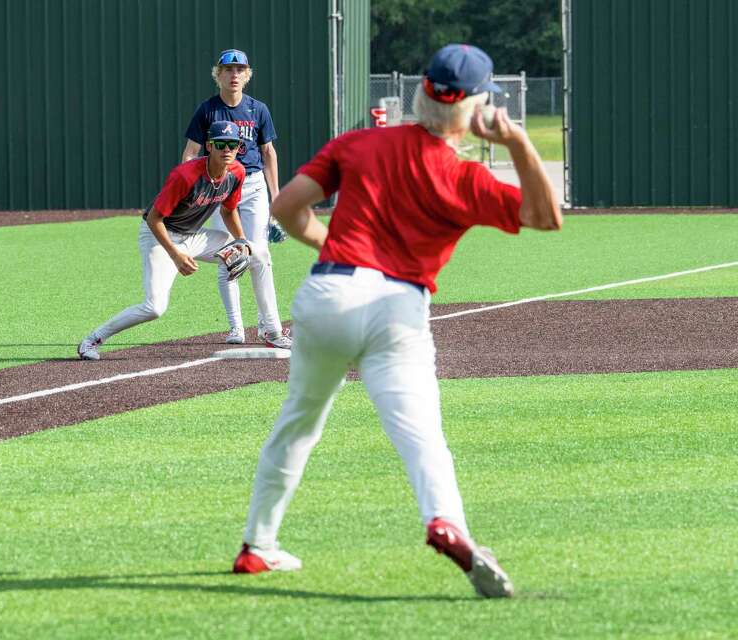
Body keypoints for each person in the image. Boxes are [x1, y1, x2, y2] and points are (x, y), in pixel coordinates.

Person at [230, 44, 562, 598]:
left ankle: (257, 546)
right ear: (476, 108)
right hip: (398, 309)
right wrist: (518, 141)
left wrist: (329, 242)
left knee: (299, 423)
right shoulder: (465, 178)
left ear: (421, 92)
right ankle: (444, 521)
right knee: (423, 437)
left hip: (329, 291)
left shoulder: (359, 141)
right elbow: (545, 217)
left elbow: (288, 208)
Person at [77, 121, 278, 360]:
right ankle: (92, 340)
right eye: (220, 144)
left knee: (258, 253)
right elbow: (154, 218)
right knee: (154, 307)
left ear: (239, 148)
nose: (227, 149)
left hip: (193, 236)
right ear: (209, 146)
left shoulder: (237, 172)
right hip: (160, 237)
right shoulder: (185, 175)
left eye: (232, 144)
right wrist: (176, 255)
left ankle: (271, 328)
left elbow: (228, 210)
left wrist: (242, 240)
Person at [182, 48, 291, 349]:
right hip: (219, 186)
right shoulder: (207, 110)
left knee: (260, 254)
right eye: (228, 70)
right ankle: (236, 327)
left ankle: (270, 328)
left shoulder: (258, 109)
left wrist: (276, 195)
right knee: (228, 255)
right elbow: (191, 153)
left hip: (253, 185)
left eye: (239, 69)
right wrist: (190, 190)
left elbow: (268, 153)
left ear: (247, 75)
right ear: (218, 75)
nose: (234, 75)